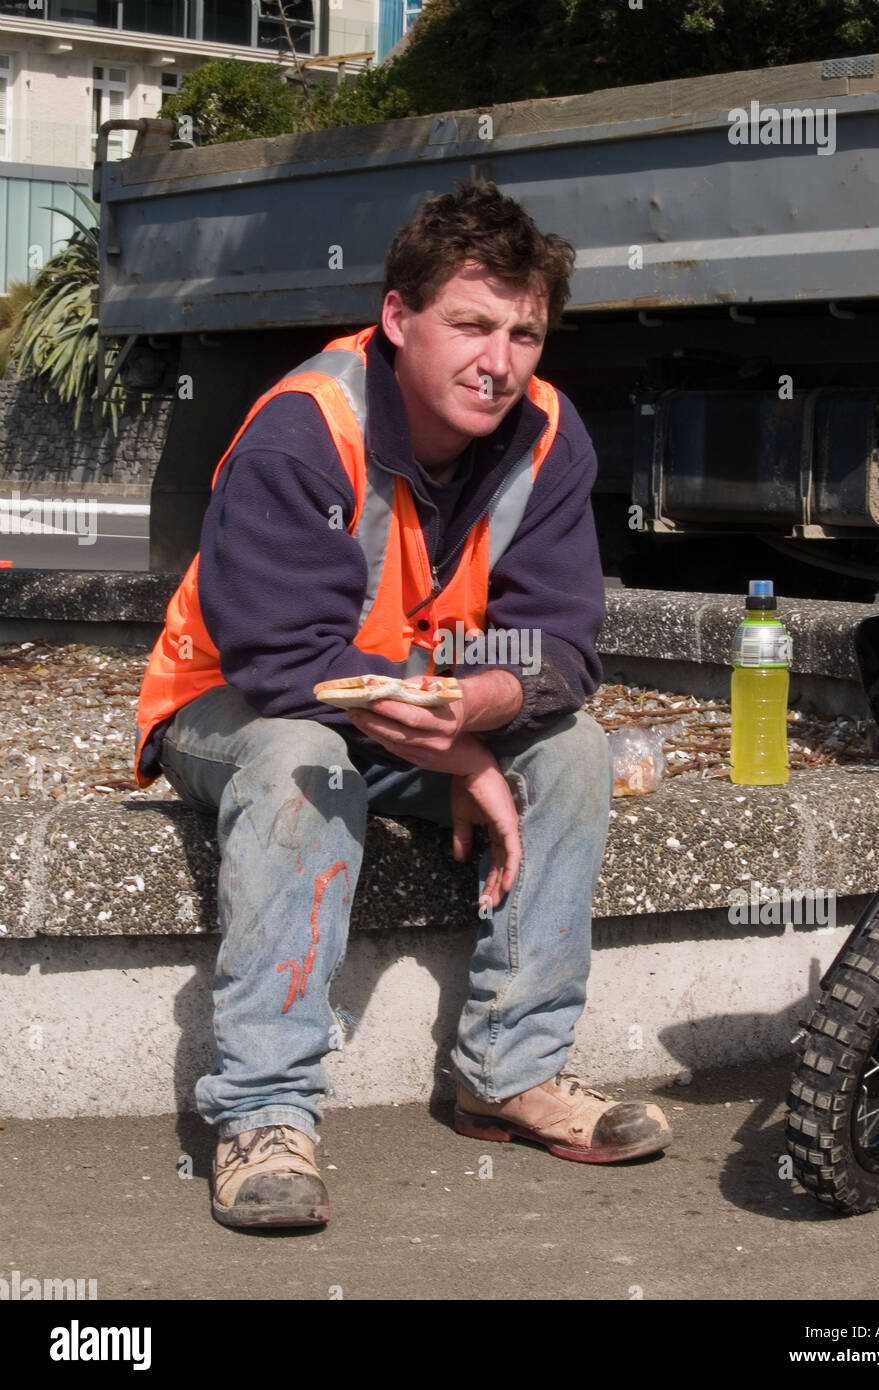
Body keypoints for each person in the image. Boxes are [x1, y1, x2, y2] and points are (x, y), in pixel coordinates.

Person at [133, 181, 672, 1230]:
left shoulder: (548, 436)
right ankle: (263, 1113)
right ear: (396, 319)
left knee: (568, 751)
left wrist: (492, 700)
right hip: (229, 703)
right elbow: (285, 657)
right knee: (305, 756)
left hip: (408, 712)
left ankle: (511, 1071)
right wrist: (463, 756)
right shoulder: (306, 425)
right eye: (470, 324)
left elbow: (560, 639)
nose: (499, 359)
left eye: (523, 331)